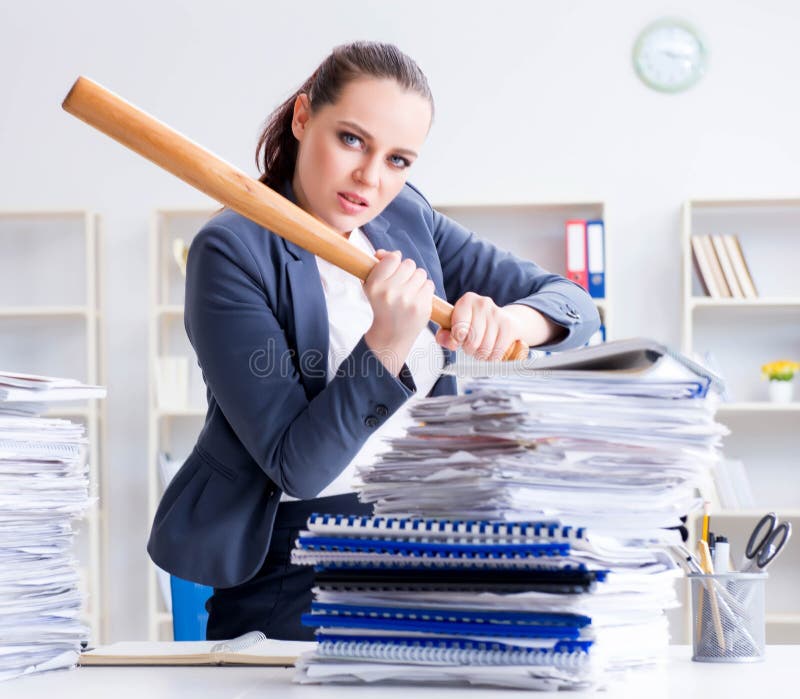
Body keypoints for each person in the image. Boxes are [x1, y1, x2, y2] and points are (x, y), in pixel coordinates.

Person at [148, 41, 600, 641]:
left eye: (399, 159)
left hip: (429, 547)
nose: (369, 178)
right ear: (303, 117)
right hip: (295, 572)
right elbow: (298, 467)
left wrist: (515, 324)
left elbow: (574, 306)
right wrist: (387, 342)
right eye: (352, 140)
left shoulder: (405, 217)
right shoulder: (232, 250)